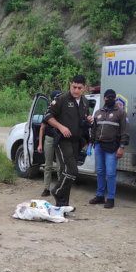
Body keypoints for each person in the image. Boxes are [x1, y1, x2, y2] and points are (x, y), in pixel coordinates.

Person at [44, 74, 92, 208]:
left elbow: (84, 117)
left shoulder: (85, 102)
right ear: (70, 85)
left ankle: (63, 203)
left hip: (77, 141)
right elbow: (47, 115)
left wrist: (88, 119)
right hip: (62, 140)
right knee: (72, 170)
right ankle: (57, 191)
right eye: (74, 87)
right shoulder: (61, 99)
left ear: (84, 88)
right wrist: (61, 127)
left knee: (67, 172)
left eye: (79, 88)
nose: (76, 90)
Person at [87, 88, 129, 208]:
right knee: (100, 172)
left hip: (112, 146)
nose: (110, 99)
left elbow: (125, 131)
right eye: (108, 97)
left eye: (112, 97)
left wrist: (121, 147)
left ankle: (110, 198)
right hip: (99, 146)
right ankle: (100, 196)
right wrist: (90, 144)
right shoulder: (98, 112)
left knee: (110, 173)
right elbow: (94, 130)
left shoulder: (120, 112)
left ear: (115, 98)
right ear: (104, 98)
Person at [38, 90, 63, 197]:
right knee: (48, 165)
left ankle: (60, 189)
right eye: (55, 99)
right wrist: (40, 144)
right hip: (49, 138)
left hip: (60, 139)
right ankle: (46, 188)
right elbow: (42, 128)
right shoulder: (49, 111)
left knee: (60, 166)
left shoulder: (63, 111)